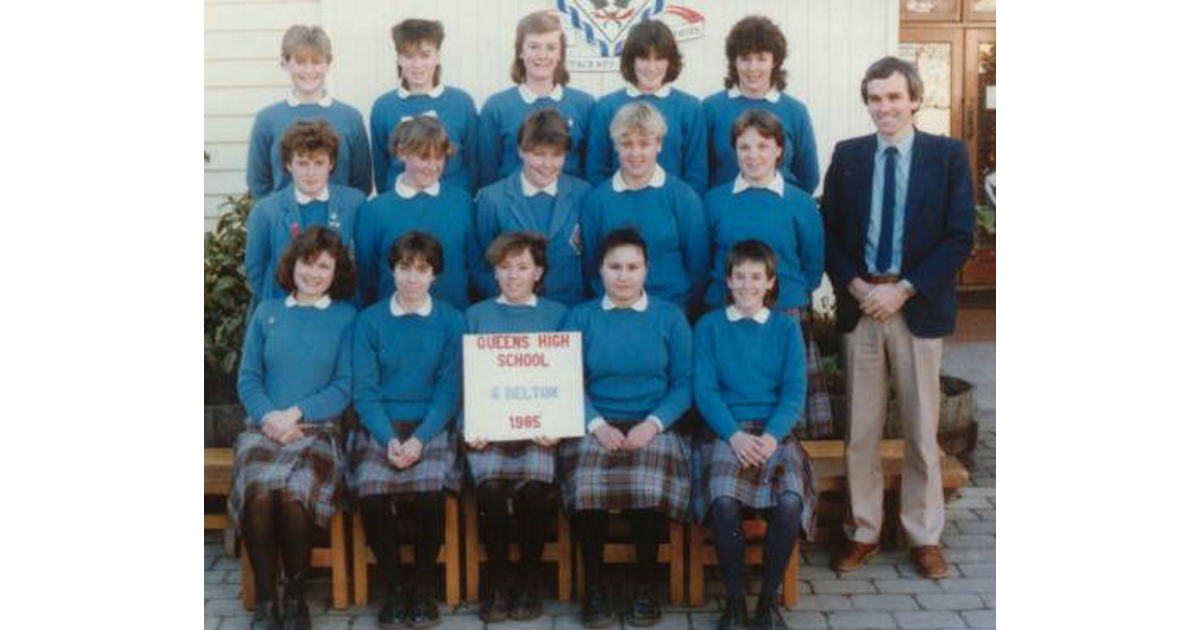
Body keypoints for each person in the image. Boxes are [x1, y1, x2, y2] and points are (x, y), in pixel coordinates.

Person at [822, 57, 974, 580]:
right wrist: (860, 287)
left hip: (916, 306)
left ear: (914, 99)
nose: (884, 107)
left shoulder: (947, 156)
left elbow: (959, 237)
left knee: (921, 428)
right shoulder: (849, 155)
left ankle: (923, 535)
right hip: (863, 304)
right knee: (860, 429)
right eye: (875, 98)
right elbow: (830, 234)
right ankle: (862, 530)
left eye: (893, 97)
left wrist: (904, 289)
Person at [559, 228, 693, 628]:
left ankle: (645, 585)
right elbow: (565, 380)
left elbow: (684, 383)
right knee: (587, 484)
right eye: (614, 266)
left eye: (632, 267)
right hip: (596, 423)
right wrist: (596, 424)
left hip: (653, 424)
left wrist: (653, 424)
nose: (623, 276)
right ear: (599, 270)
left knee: (647, 487)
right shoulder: (580, 317)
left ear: (646, 270)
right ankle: (595, 587)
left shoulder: (669, 316)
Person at [230, 226, 358, 630]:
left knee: (292, 494)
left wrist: (296, 414)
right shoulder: (267, 312)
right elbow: (248, 378)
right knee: (259, 492)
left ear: (336, 272)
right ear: (293, 264)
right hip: (263, 427)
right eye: (307, 262)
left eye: (324, 266)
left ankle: (297, 597)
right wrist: (272, 417)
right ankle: (268, 600)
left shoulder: (346, 317)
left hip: (318, 430)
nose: (313, 273)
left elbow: (344, 385)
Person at [693, 240, 818, 630]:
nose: (747, 285)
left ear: (770, 282)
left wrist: (771, 437)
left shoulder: (785, 327)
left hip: (773, 433)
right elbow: (705, 390)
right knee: (724, 502)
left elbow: (794, 391)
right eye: (740, 276)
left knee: (789, 502)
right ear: (728, 281)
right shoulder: (710, 326)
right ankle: (734, 604)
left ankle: (767, 604)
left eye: (756, 277)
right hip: (727, 431)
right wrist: (734, 435)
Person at [349, 231, 466, 629]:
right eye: (404, 268)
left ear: (435, 274)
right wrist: (389, 439)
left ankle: (422, 587)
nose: (412, 278)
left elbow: (449, 391)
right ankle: (395, 588)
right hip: (382, 424)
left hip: (430, 425)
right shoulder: (369, 321)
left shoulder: (452, 321)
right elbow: (365, 393)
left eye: (422, 269)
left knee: (431, 491)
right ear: (392, 270)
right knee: (371, 491)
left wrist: (418, 439)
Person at [704, 109, 834, 445]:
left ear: (779, 150)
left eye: (763, 146)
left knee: (786, 410)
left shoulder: (801, 203)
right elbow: (703, 260)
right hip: (727, 317)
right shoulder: (714, 201)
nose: (753, 155)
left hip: (785, 313)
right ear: (734, 151)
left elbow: (812, 265)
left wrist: (782, 297)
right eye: (744, 147)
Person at [462, 232, 569, 623]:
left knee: (532, 492)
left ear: (538, 272)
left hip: (541, 430)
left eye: (522, 267)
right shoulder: (475, 316)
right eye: (504, 267)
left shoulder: (559, 315)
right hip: (490, 430)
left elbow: (568, 378)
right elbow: (464, 382)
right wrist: (470, 425)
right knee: (490, 491)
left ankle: (528, 579)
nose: (512, 276)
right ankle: (499, 579)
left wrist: (558, 425)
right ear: (494, 272)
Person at [580, 102, 708, 312]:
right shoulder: (597, 201)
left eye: (644, 144)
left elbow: (698, 268)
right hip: (613, 313)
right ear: (615, 146)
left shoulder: (684, 198)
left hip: (670, 311)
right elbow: (591, 267)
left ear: (659, 144)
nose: (635, 153)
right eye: (626, 144)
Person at [355, 115, 481, 308]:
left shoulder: (463, 203)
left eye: (439, 157)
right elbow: (367, 276)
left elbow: (475, 267)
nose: (433, 166)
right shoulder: (374, 210)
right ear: (402, 153)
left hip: (454, 316)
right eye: (424, 157)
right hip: (394, 318)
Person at [475, 108, 591, 306]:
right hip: (514, 311)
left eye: (556, 155)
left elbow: (592, 261)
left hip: (570, 309)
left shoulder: (583, 194)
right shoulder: (492, 199)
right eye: (538, 154)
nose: (547, 164)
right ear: (521, 150)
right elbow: (483, 266)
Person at [245, 120, 364, 309]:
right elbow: (255, 272)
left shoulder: (355, 203)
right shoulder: (266, 211)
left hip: (341, 309)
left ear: (331, 164)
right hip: (285, 309)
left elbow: (365, 264)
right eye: (302, 163)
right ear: (288, 165)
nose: (311, 172)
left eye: (319, 163)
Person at [247, 25, 371, 199]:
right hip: (285, 215)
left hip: (339, 215)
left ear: (328, 64)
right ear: (285, 63)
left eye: (316, 62)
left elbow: (361, 183)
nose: (308, 70)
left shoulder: (350, 118)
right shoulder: (267, 119)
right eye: (300, 62)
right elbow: (258, 183)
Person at [584, 19, 706, 194]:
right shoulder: (606, 107)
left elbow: (697, 177)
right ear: (631, 60)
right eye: (644, 58)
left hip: (671, 207)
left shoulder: (690, 108)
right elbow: (596, 173)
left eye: (659, 59)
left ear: (670, 62)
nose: (651, 68)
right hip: (618, 207)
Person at [703, 16, 819, 193]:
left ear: (775, 61)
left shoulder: (796, 112)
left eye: (761, 59)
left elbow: (809, 178)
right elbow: (700, 172)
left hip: (778, 208)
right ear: (734, 61)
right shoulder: (711, 108)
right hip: (725, 208)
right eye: (745, 58)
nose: (753, 68)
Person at [477, 11, 594, 187]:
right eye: (534, 46)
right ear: (520, 51)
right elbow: (487, 175)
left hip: (570, 202)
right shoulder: (496, 107)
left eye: (551, 47)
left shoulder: (584, 105)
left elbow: (591, 171)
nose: (542, 55)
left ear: (560, 54)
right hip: (512, 202)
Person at [370, 18, 479, 195]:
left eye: (425, 55)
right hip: (401, 203)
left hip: (452, 200)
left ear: (437, 57)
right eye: (409, 56)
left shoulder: (462, 103)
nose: (417, 65)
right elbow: (381, 166)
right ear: (399, 59)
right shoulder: (383, 107)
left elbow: (474, 162)